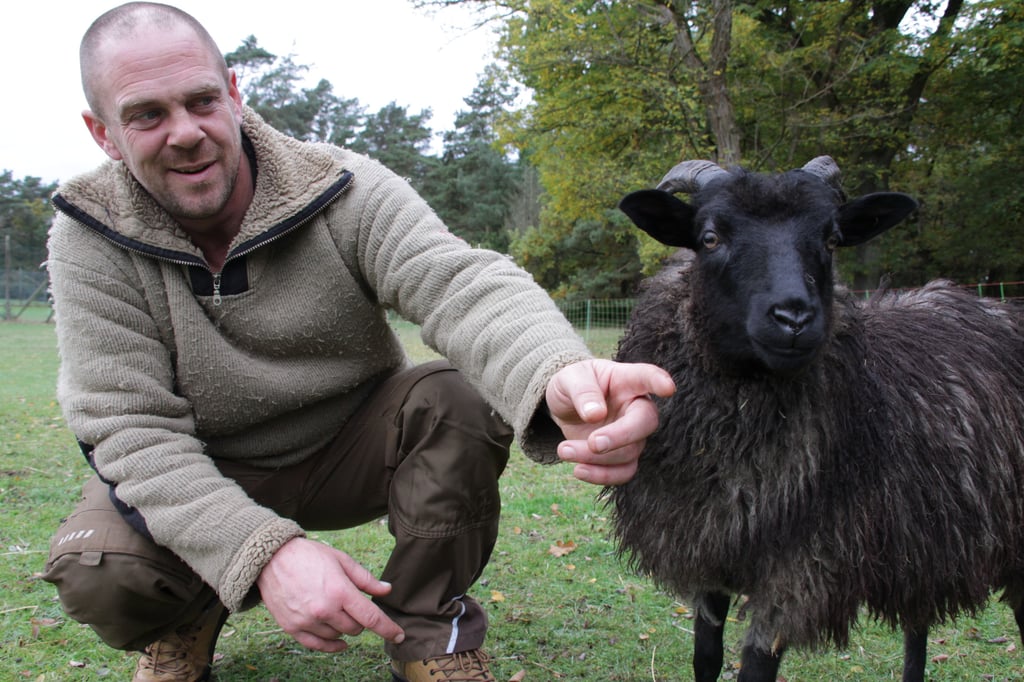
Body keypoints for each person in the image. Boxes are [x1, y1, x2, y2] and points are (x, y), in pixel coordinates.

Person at [41, 3, 675, 681]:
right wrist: (262, 553)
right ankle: (183, 621)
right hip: (206, 461)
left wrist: (559, 371)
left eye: (200, 100)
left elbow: (458, 281)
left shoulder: (338, 186)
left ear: (232, 92)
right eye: (147, 115)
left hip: (351, 447)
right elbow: (130, 430)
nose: (186, 133)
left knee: (456, 400)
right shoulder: (87, 236)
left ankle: (432, 638)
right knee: (97, 569)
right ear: (102, 133)